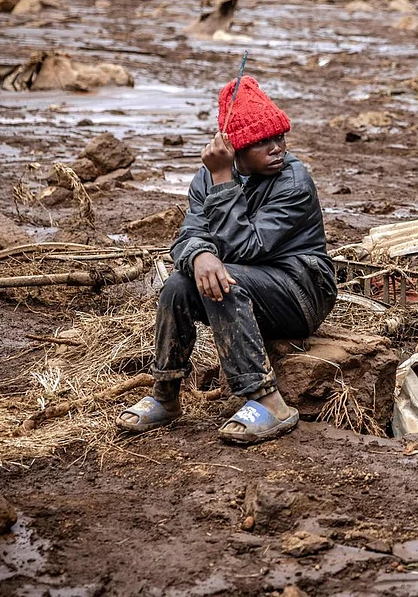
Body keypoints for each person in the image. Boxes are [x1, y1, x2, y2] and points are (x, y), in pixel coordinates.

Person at [117, 76, 336, 444]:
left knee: (223, 282)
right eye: (262, 142)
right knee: (177, 284)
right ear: (234, 147)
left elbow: (247, 247)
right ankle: (165, 394)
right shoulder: (208, 177)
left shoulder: (293, 181)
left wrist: (222, 180)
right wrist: (200, 254)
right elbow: (187, 236)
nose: (277, 148)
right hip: (249, 281)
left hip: (300, 290)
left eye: (280, 137)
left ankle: (268, 401)